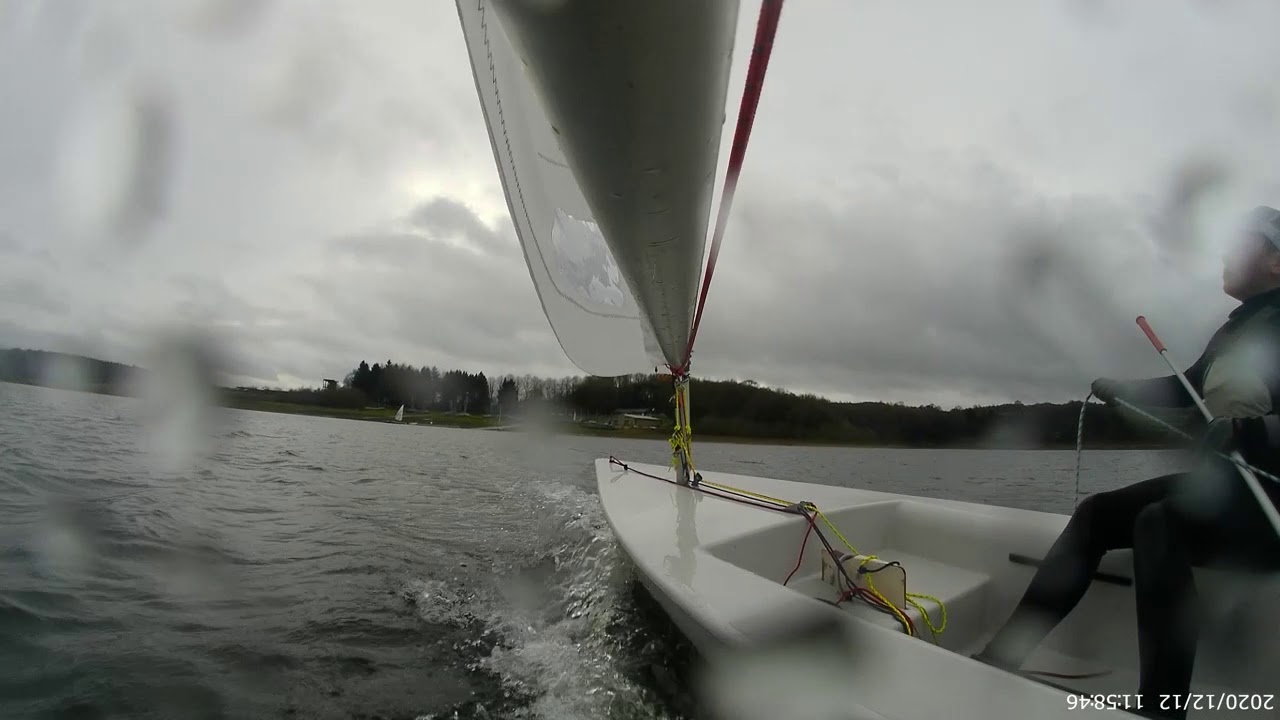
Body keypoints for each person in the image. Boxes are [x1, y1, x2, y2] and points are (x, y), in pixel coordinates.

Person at [973, 205, 1280, 719]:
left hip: (1270, 506)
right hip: (1227, 495)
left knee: (1159, 523)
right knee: (1098, 513)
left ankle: (1160, 710)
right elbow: (1184, 388)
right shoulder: (1237, 332)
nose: (1227, 253)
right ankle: (1002, 656)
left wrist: (1256, 430)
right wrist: (1123, 389)